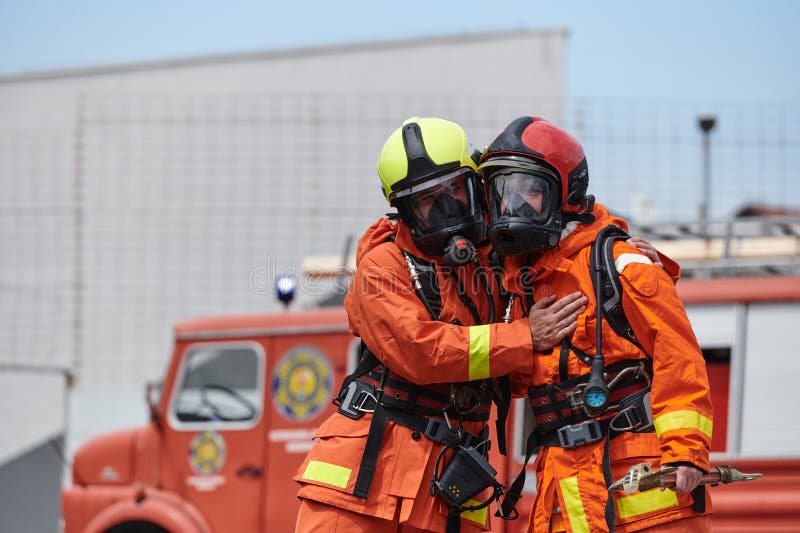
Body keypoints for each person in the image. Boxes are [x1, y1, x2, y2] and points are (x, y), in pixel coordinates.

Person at [293, 117, 587, 533]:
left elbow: (569, 221)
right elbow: (421, 352)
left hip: (450, 484)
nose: (446, 203)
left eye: (454, 187)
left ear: (477, 184)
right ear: (405, 210)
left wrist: (618, 242)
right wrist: (525, 336)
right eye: (427, 198)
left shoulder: (498, 260)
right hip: (362, 488)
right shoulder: (382, 266)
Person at [479, 116, 714, 532]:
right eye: (505, 191)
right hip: (563, 488)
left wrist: (685, 452)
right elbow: (515, 384)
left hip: (644, 492)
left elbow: (679, 358)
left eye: (531, 190)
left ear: (566, 193)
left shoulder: (621, 264)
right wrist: (522, 337)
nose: (515, 205)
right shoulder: (520, 283)